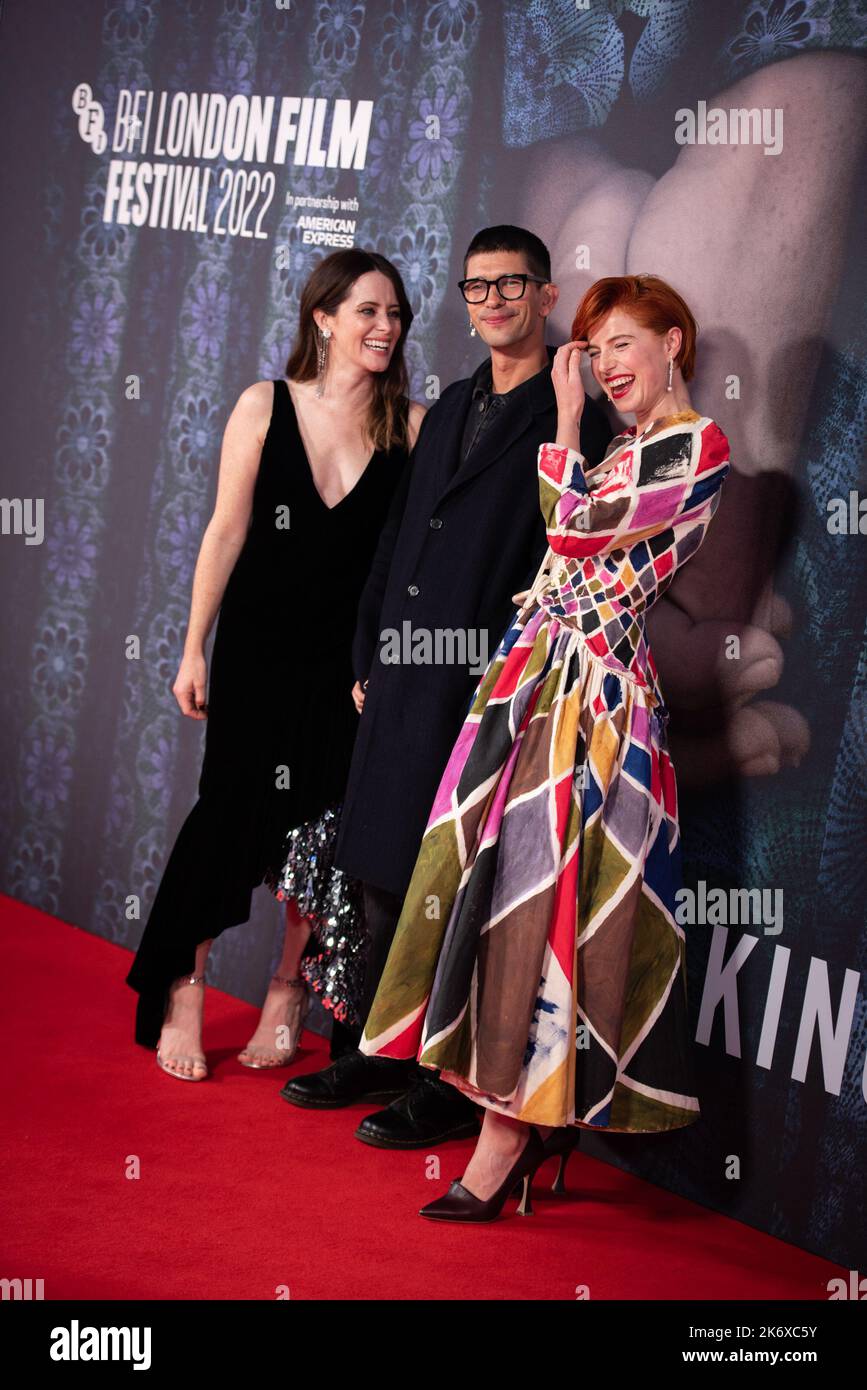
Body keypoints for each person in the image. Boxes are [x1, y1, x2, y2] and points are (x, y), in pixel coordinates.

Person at [359, 274, 731, 1222]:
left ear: (672, 346)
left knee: (541, 915)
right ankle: (513, 1124)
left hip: (595, 707)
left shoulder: (697, 447)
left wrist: (560, 419)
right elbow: (559, 557)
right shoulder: (625, 452)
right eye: (594, 350)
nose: (605, 366)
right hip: (533, 688)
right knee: (492, 905)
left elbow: (566, 530)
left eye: (623, 346)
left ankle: (504, 1141)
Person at [280, 226, 612, 1142]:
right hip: (398, 674)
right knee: (382, 864)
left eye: (512, 286)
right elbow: (400, 535)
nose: (493, 302)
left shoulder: (569, 406)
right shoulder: (451, 402)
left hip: (489, 681)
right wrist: (366, 652)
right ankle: (375, 1053)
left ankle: (444, 1082)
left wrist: (510, 670)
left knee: (459, 876)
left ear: (547, 298)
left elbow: (576, 541)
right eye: (477, 288)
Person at [125, 249, 425, 1080]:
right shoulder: (265, 404)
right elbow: (224, 532)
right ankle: (186, 985)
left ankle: (288, 990)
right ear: (322, 318)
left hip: (345, 665)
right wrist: (192, 645)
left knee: (320, 827)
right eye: (367, 310)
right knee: (227, 812)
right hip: (257, 647)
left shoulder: (413, 426)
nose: (384, 327)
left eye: (395, 314)